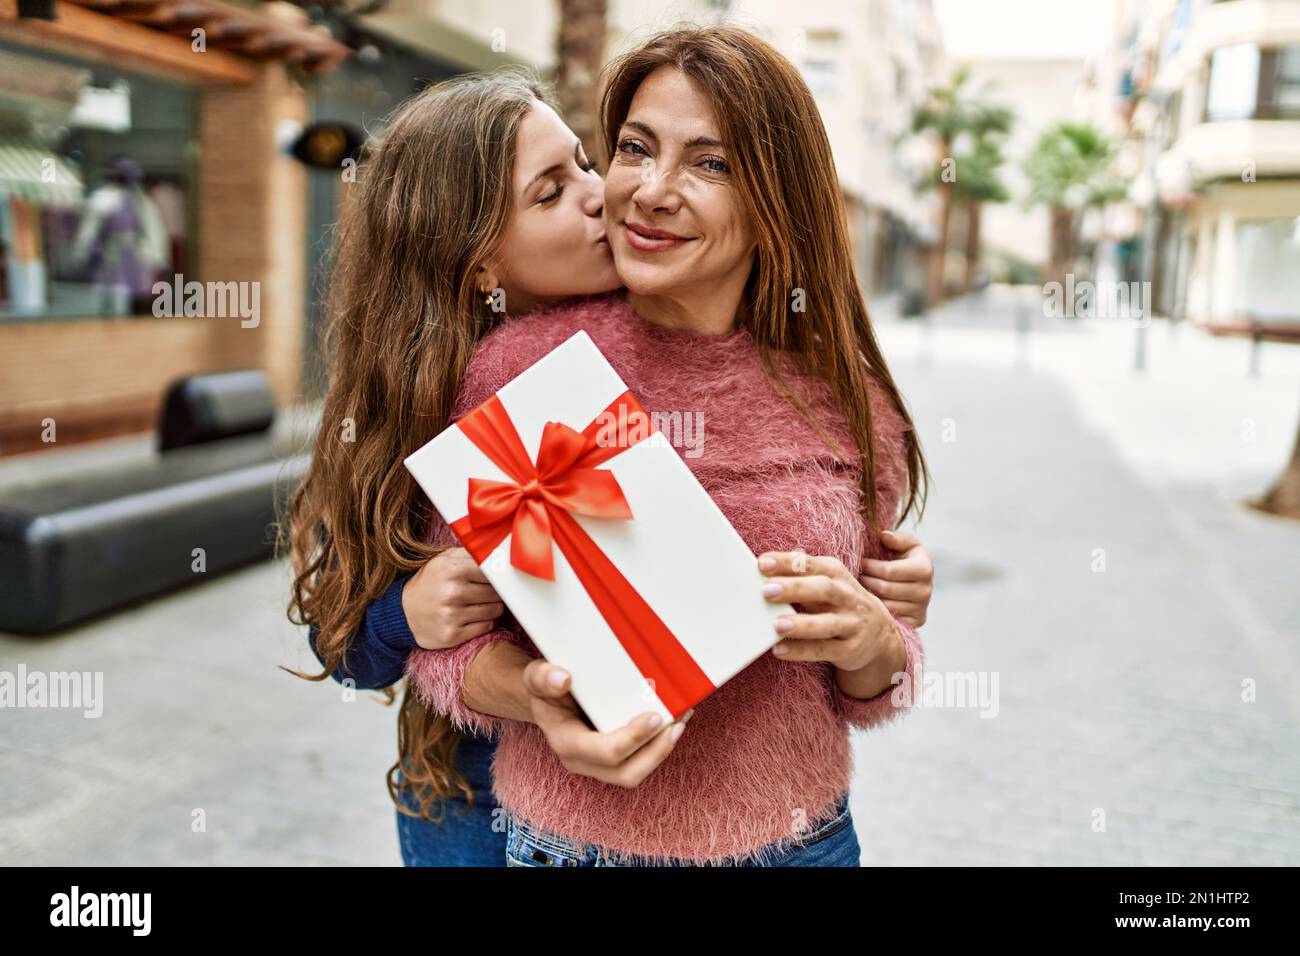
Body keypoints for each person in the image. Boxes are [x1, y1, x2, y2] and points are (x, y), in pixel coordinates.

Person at [289, 50, 933, 867]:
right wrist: (411, 617)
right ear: (479, 264)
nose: (617, 194)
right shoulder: (504, 376)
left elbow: (879, 647)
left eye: (590, 162)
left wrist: (879, 632)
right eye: (555, 191)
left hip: (799, 835)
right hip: (486, 795)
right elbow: (366, 641)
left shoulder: (835, 392)